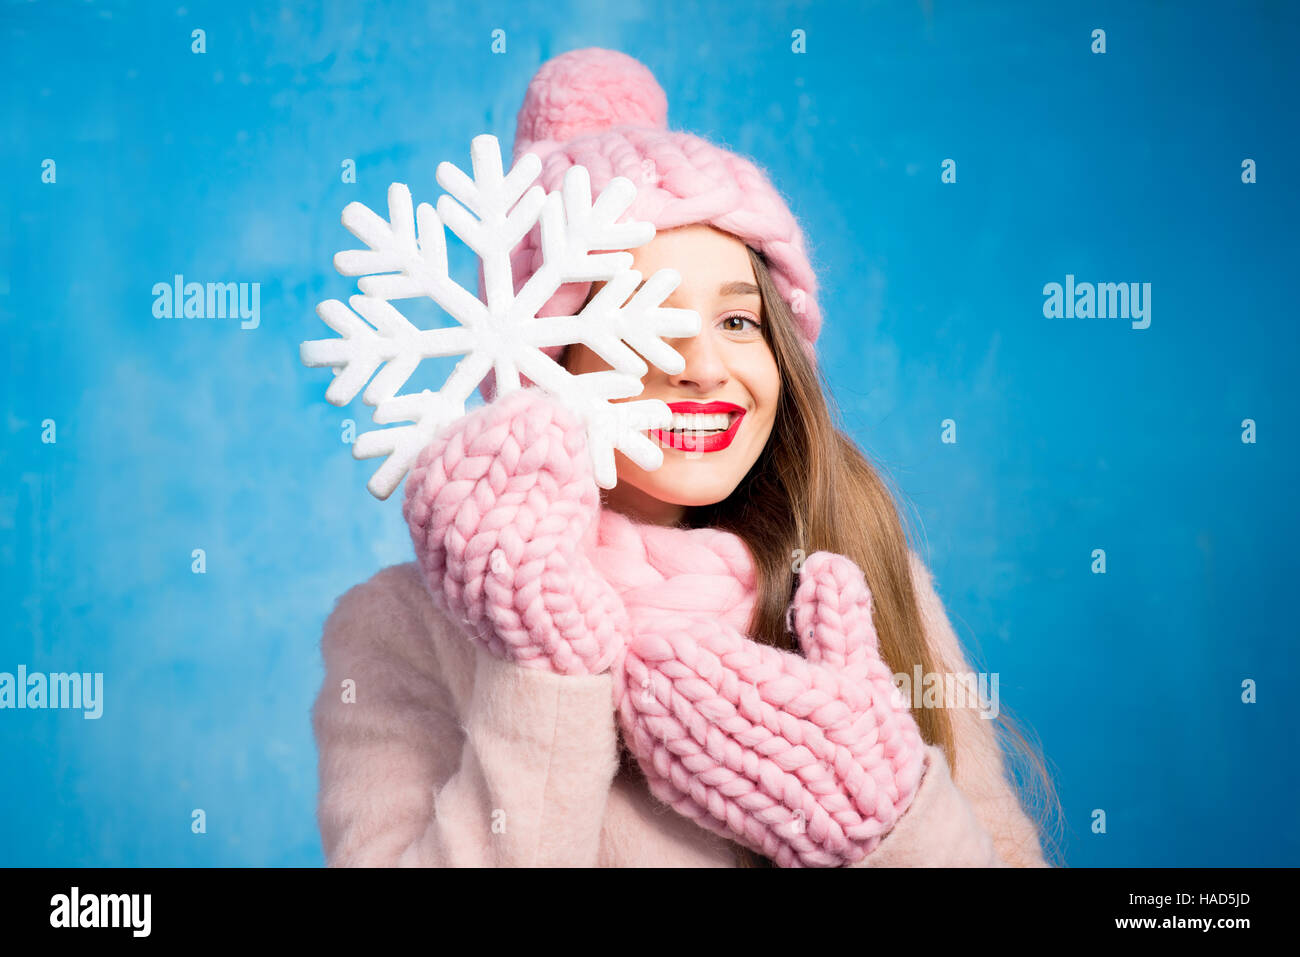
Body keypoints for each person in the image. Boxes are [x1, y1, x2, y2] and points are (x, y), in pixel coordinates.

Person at [311, 47, 1060, 867]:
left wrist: (884, 821)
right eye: (648, 319)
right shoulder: (403, 628)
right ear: (550, 365)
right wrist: (544, 672)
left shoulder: (866, 565)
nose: (703, 367)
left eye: (739, 322)